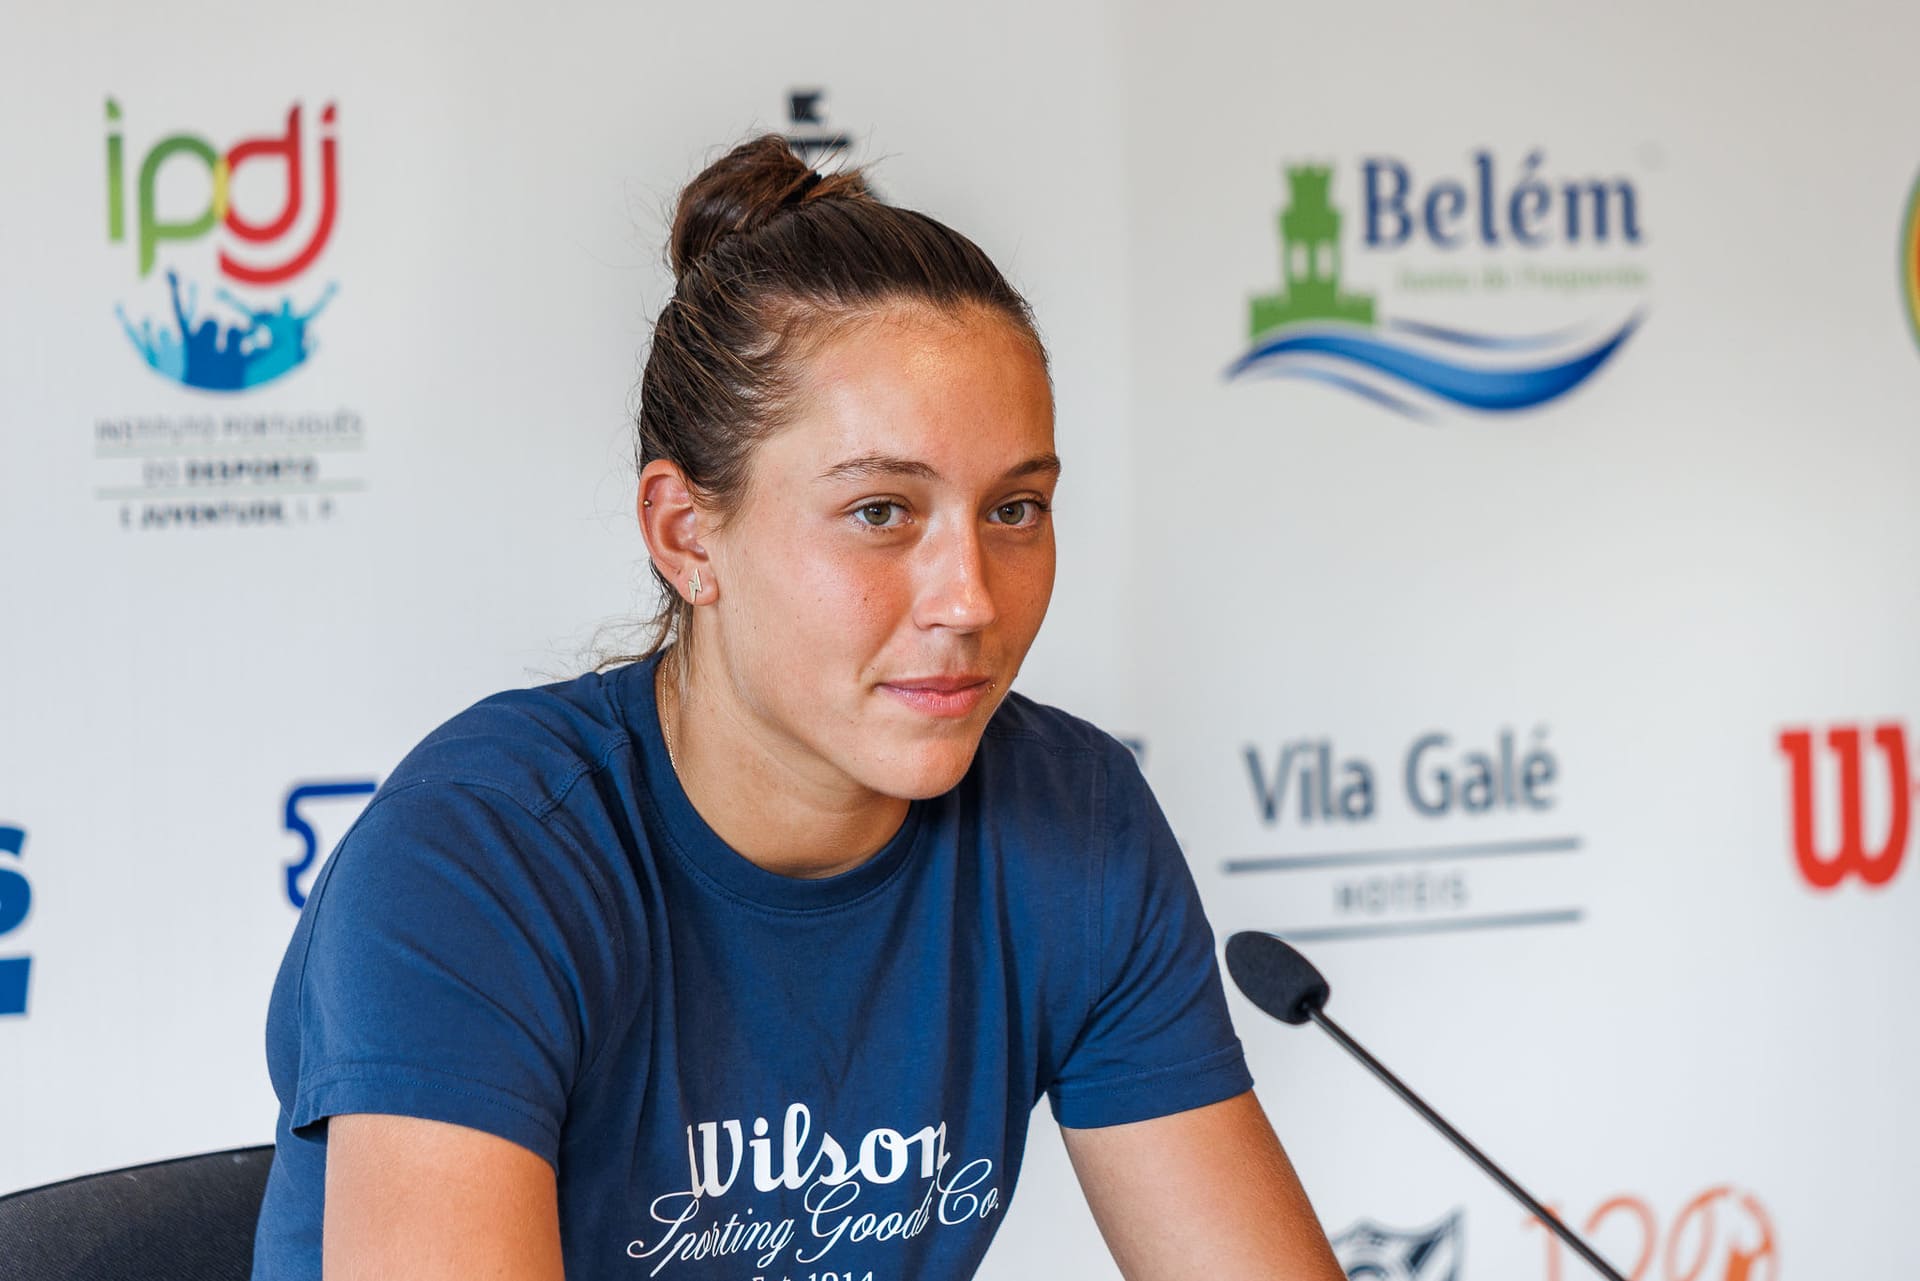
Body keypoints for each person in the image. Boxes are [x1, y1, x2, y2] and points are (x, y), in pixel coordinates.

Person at [250, 135, 1345, 1281]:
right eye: (881, 512)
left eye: (1016, 509)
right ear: (686, 534)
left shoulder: (1075, 820)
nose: (969, 599)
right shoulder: (477, 855)